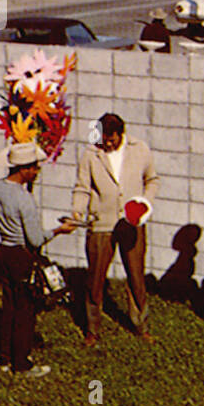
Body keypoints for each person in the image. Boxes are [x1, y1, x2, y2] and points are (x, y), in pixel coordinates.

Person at [0, 142, 77, 377]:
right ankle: (22, 363)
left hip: (3, 251)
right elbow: (36, 239)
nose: (37, 172)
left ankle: (5, 358)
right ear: (24, 169)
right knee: (25, 309)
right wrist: (59, 230)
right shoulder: (24, 199)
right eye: (35, 168)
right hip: (21, 255)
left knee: (9, 306)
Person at [72, 113, 160, 346]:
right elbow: (82, 187)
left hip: (132, 224)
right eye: (104, 139)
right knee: (95, 278)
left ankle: (142, 325)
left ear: (122, 134)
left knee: (136, 275)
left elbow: (152, 180)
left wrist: (144, 203)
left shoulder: (140, 149)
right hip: (101, 223)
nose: (108, 143)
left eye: (112, 139)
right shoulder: (91, 154)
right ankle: (92, 329)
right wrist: (77, 211)